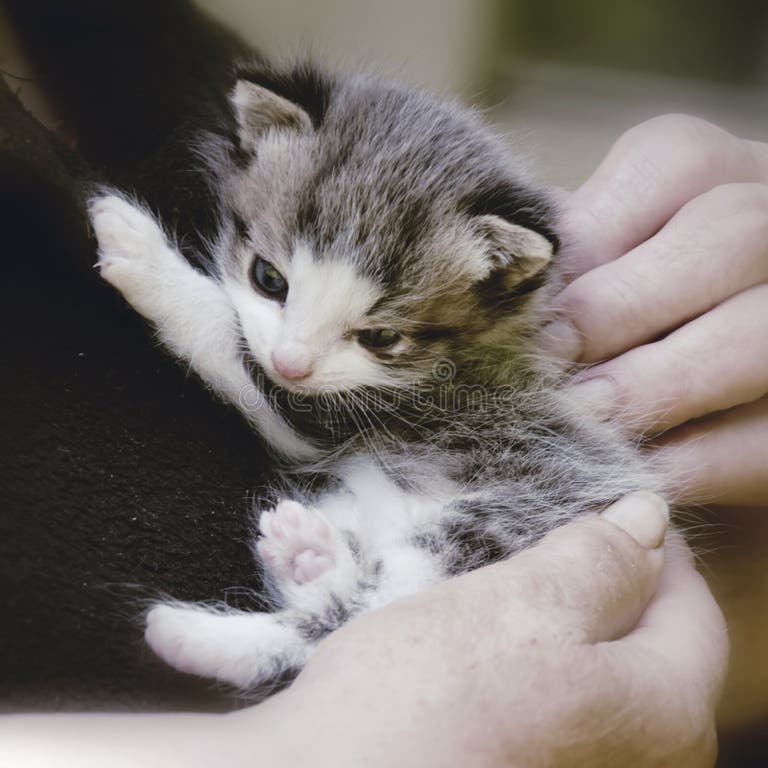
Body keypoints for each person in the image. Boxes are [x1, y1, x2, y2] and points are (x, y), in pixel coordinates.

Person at [2, 113, 766, 766]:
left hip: (500, 491)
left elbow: (300, 419)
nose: (291, 358)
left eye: (375, 333)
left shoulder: (120, 47)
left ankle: (304, 630)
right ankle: (325, 606)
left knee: (414, 528)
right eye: (270, 282)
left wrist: (744, 608)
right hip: (434, 504)